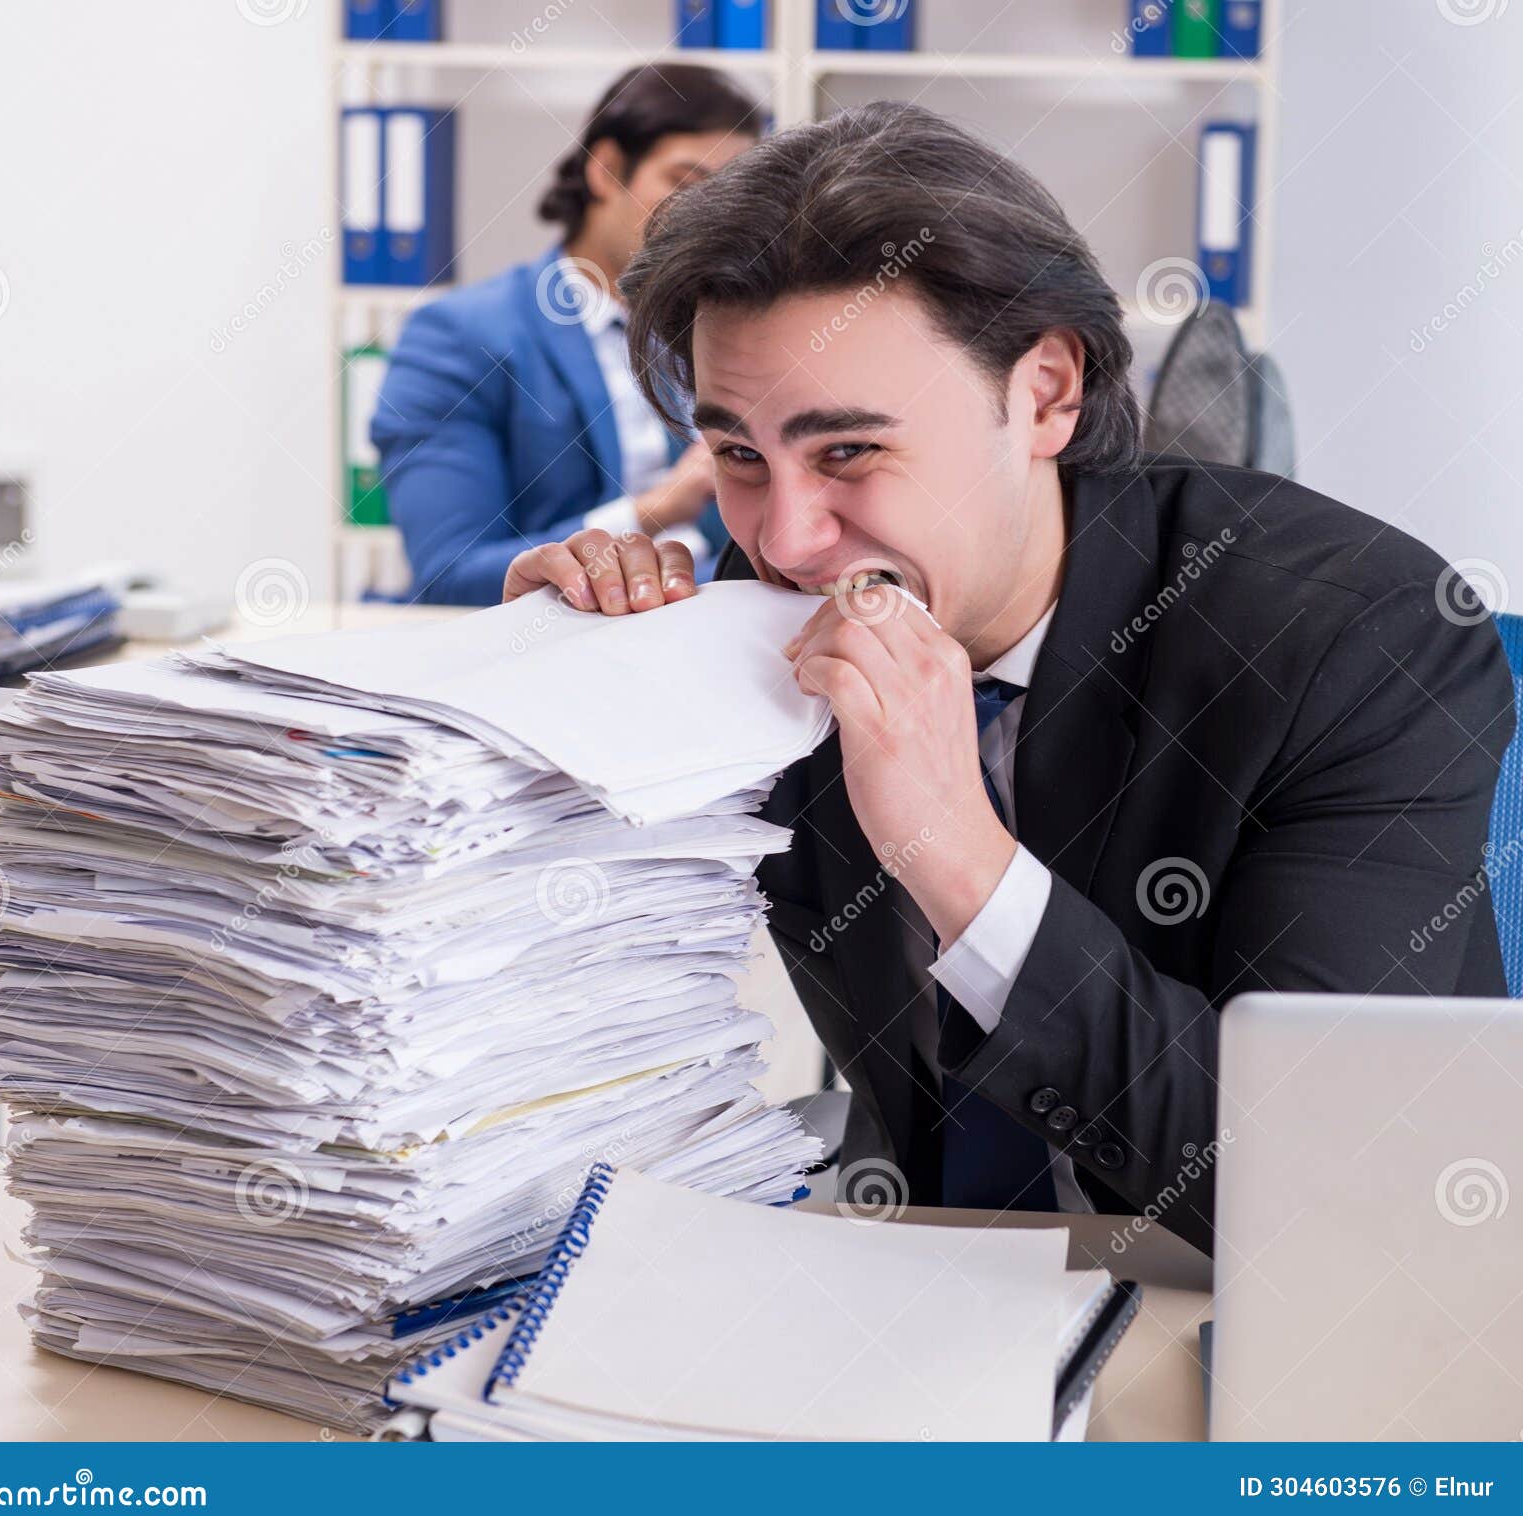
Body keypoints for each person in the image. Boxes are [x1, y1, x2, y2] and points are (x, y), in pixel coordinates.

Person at [501, 103, 1515, 1256]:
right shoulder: (767, 603)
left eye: (849, 452)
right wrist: (533, 718)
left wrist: (959, 856)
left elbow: (1303, 1187)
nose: (786, 536)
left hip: (1257, 1306)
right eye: (739, 453)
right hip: (919, 1268)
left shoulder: (1357, 636)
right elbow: (552, 990)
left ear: (1043, 395)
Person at [370, 63, 764, 607]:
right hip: (553, 639)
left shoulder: (730, 328)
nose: (707, 217)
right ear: (606, 171)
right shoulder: (460, 335)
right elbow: (449, 575)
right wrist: (659, 507)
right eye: (685, 183)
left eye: (727, 195)